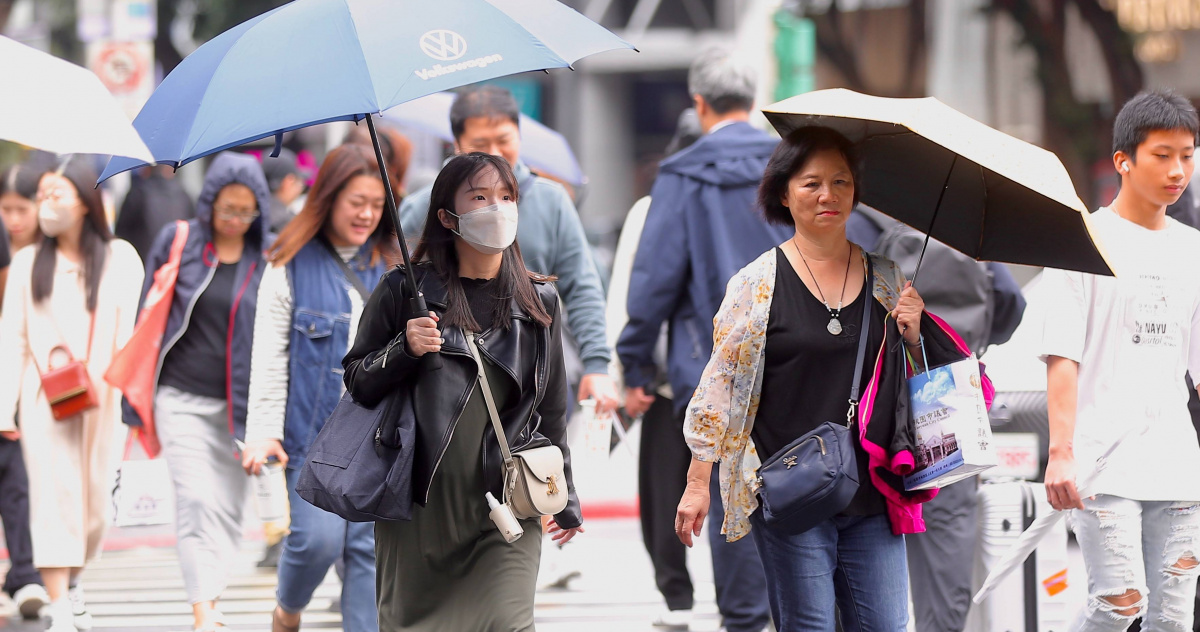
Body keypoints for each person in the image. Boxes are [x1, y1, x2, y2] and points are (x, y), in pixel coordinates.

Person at [674, 126, 974, 632]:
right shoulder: (755, 284)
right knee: (810, 625)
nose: (827, 195)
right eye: (811, 183)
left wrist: (914, 333)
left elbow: (911, 386)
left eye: (840, 181)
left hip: (872, 492)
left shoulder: (887, 278)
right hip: (791, 491)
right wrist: (697, 484)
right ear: (784, 193)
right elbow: (719, 388)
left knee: (886, 625)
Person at [344, 152, 583, 630]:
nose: (497, 208)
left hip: (507, 504)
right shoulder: (401, 292)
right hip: (419, 508)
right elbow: (357, 380)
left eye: (507, 197)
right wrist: (404, 349)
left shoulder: (539, 301)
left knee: (509, 623)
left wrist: (565, 493)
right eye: (480, 197)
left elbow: (551, 407)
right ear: (447, 216)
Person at [617, 49, 789, 632]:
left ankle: (745, 621)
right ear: (752, 94)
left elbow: (654, 281)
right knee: (801, 491)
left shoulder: (684, 174)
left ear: (698, 102)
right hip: (799, 360)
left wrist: (635, 363)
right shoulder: (792, 165)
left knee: (733, 503)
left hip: (716, 369)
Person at [1042, 90, 1200, 632]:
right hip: (1103, 463)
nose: (1178, 170)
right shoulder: (1083, 241)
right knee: (1119, 608)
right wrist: (1060, 453)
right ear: (1124, 161)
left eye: (1187, 154)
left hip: (1178, 463)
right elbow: (1062, 355)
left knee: (1174, 618)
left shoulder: (1193, 251)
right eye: (1163, 154)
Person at [847, 205, 1027, 632]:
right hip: (950, 399)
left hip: (877, 405)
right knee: (946, 534)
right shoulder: (962, 227)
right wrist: (955, 342)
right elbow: (1010, 303)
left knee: (861, 544)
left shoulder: (856, 225)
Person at [242, 143, 396, 632]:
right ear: (328, 198)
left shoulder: (397, 266)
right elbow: (269, 358)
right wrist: (264, 432)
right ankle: (288, 609)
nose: (367, 215)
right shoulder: (288, 262)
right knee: (317, 541)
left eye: (376, 204)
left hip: (378, 441)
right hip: (313, 438)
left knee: (366, 554)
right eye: (356, 203)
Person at [398, 86, 617, 416]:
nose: (496, 153)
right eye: (481, 145)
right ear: (457, 144)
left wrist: (597, 364)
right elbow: (398, 288)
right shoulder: (425, 207)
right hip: (449, 373)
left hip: (535, 368)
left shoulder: (551, 200)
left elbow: (582, 287)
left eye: (504, 139)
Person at [122, 152, 271, 632]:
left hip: (238, 408)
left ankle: (213, 590)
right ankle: (202, 611)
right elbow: (148, 318)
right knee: (197, 501)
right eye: (226, 209)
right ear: (208, 203)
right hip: (179, 397)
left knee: (229, 510)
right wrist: (134, 399)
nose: (234, 220)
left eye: (245, 211)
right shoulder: (180, 241)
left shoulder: (266, 258)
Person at [0, 160, 144, 632]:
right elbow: (13, 340)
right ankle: (59, 605)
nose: (46, 204)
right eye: (42, 195)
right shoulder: (26, 264)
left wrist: (134, 398)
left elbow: (131, 337)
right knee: (52, 498)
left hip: (103, 399)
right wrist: (5, 405)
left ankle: (73, 580)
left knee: (96, 506)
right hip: (45, 400)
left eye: (55, 194)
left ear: (85, 201)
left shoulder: (121, 257)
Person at [606, 107, 702, 629]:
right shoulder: (653, 208)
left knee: (668, 491)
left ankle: (680, 597)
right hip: (677, 379)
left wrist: (634, 373)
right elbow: (628, 293)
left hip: (674, 379)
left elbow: (627, 293)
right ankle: (680, 596)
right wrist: (632, 373)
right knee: (668, 493)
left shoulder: (656, 205)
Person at [0, 163, 47, 620]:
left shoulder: (47, 255)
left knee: (22, 480)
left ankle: (28, 571)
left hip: (36, 383)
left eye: (21, 208)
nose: (14, 218)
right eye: (6, 208)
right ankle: (23, 572)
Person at [115, 165, 195, 262]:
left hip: (144, 264)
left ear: (146, 170)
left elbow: (121, 233)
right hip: (176, 264)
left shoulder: (137, 194)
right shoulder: (184, 195)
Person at [261, 148, 308, 234]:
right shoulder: (287, 223)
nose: (301, 188)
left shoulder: (253, 213)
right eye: (300, 182)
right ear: (289, 181)